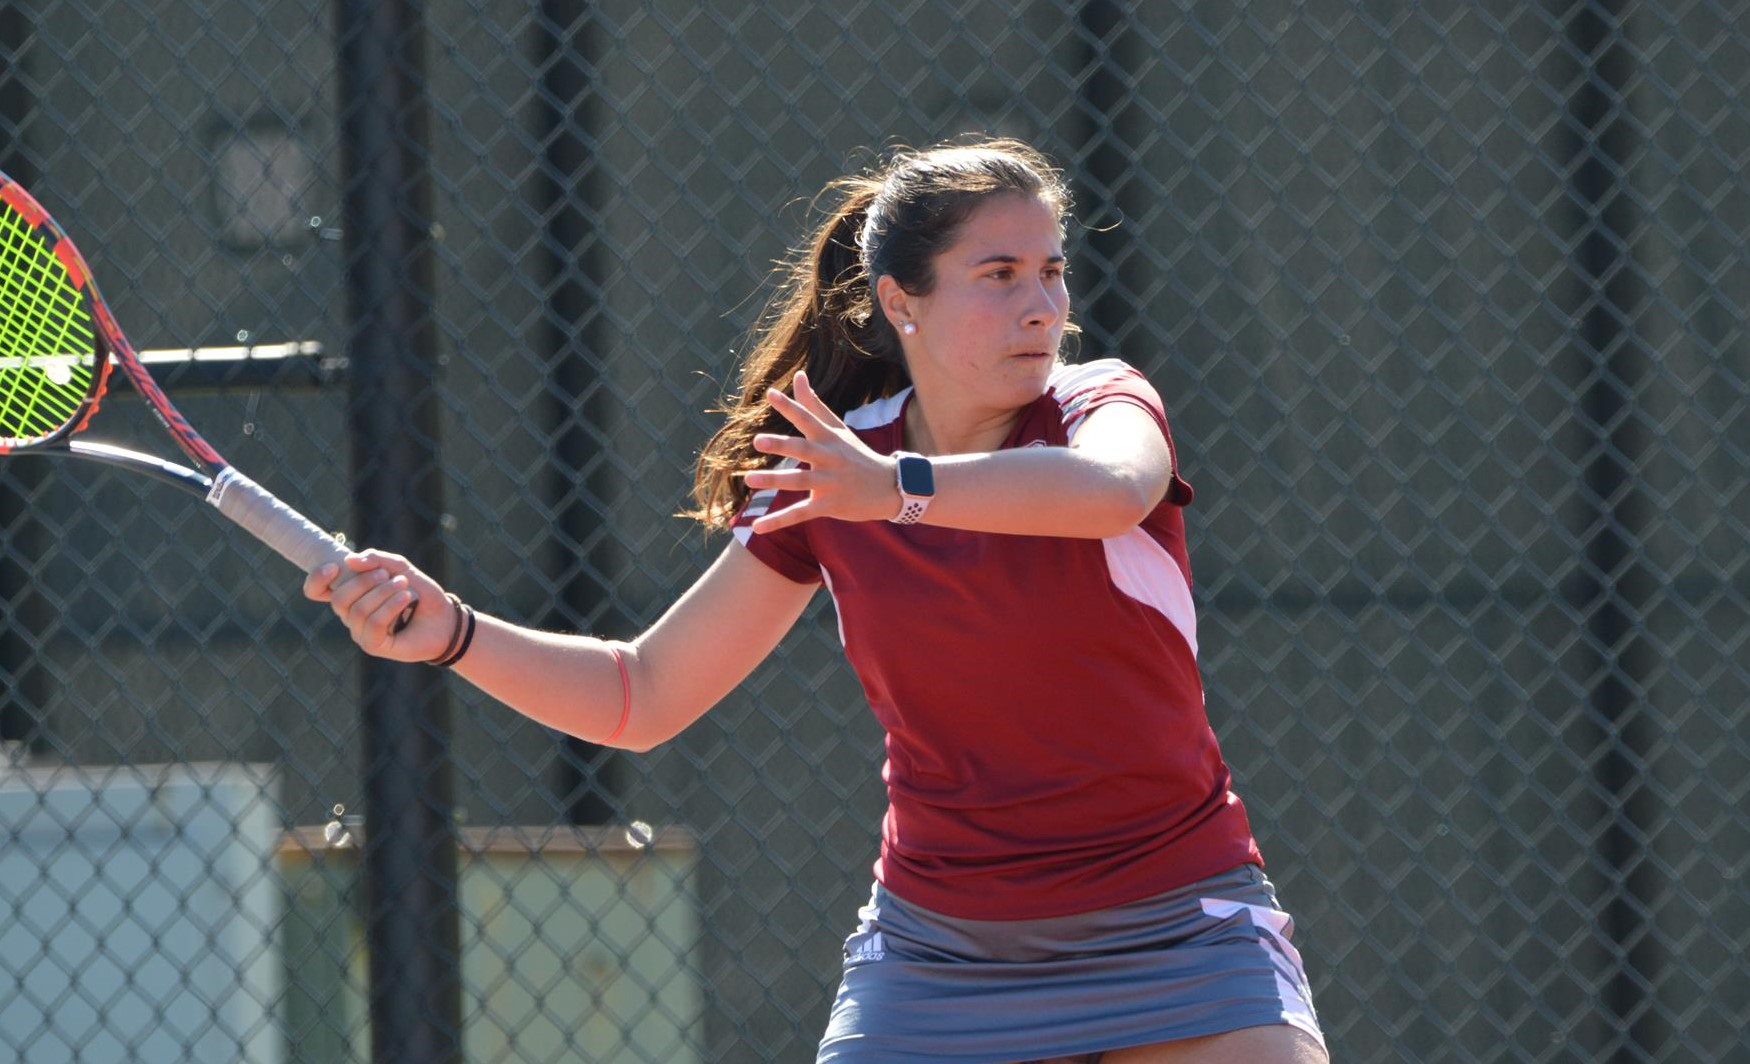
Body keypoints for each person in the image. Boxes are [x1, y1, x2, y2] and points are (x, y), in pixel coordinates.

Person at [307, 138, 1329, 1064]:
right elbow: (641, 692)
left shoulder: (1095, 403)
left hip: (1179, 917)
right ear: (899, 301)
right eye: (999, 273)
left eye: (1052, 271)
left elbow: (1113, 491)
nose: (1041, 306)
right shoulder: (832, 469)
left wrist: (898, 491)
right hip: (942, 947)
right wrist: (454, 633)